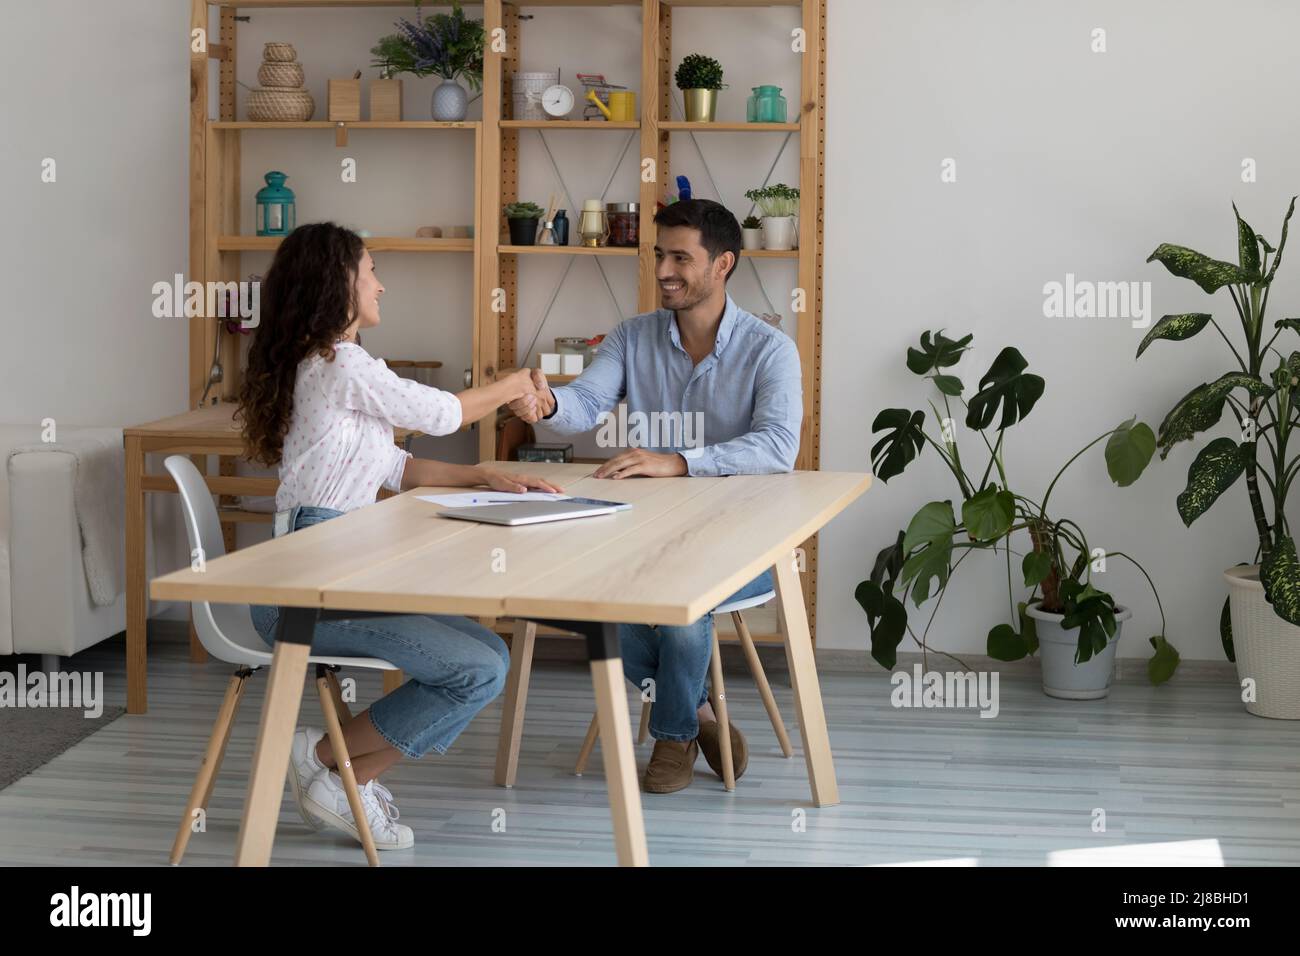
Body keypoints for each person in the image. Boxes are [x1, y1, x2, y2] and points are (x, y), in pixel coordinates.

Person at [237, 221, 558, 849]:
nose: (382, 285)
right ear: (339, 284)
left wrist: (480, 475)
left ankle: (336, 774)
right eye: (372, 271)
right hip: (306, 590)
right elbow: (440, 413)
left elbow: (396, 467)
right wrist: (518, 383)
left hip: (339, 571)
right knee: (473, 668)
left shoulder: (333, 367)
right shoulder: (337, 363)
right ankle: (330, 763)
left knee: (489, 657)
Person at [510, 199, 802, 793]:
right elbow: (588, 402)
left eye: (680, 258)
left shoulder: (771, 350)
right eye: (659, 255)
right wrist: (550, 404)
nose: (663, 270)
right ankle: (696, 716)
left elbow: (778, 446)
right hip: (638, 536)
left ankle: (670, 738)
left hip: (740, 545)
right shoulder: (631, 337)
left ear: (723, 264)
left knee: (682, 598)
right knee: (534, 589)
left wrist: (680, 462)